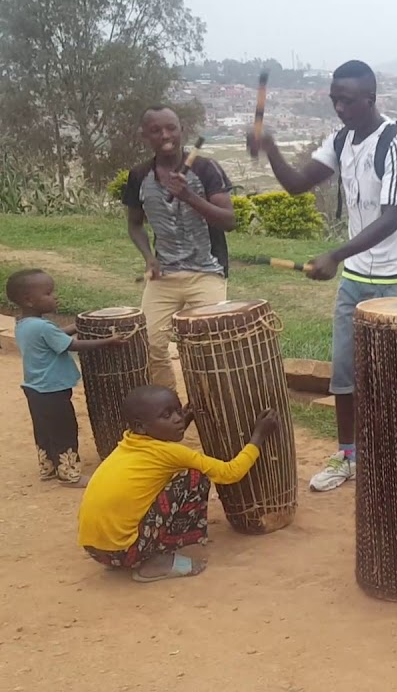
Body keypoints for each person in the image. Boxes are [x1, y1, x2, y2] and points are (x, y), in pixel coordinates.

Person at [247, 60, 397, 492]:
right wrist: (270, 147)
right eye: (334, 100)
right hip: (356, 279)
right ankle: (349, 456)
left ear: (370, 98)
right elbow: (296, 184)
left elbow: (392, 219)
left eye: (347, 100)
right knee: (345, 375)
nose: (340, 107)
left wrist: (334, 255)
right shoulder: (342, 141)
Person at [78, 385, 279, 582]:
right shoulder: (172, 454)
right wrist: (258, 435)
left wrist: (185, 418)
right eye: (167, 416)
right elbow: (230, 473)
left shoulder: (130, 441)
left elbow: (161, 441)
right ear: (141, 426)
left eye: (178, 411)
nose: (177, 419)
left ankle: (135, 554)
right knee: (194, 477)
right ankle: (155, 561)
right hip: (126, 552)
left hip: (99, 553)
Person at [124, 106, 237, 390]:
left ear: (181, 130)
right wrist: (149, 258)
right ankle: (168, 408)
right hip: (164, 275)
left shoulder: (205, 168)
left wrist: (188, 195)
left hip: (207, 271)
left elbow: (229, 221)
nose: (166, 135)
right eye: (156, 130)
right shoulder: (139, 175)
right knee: (150, 344)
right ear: (144, 136)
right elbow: (135, 225)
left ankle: (210, 409)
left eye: (171, 127)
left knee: (208, 348)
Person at [7, 269, 126, 484]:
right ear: (29, 300)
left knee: (44, 429)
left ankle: (48, 467)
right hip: (53, 389)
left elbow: (56, 336)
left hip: (35, 389)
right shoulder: (43, 326)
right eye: (49, 293)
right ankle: (70, 474)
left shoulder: (24, 324)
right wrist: (109, 341)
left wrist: (79, 324)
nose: (55, 297)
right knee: (65, 429)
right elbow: (73, 345)